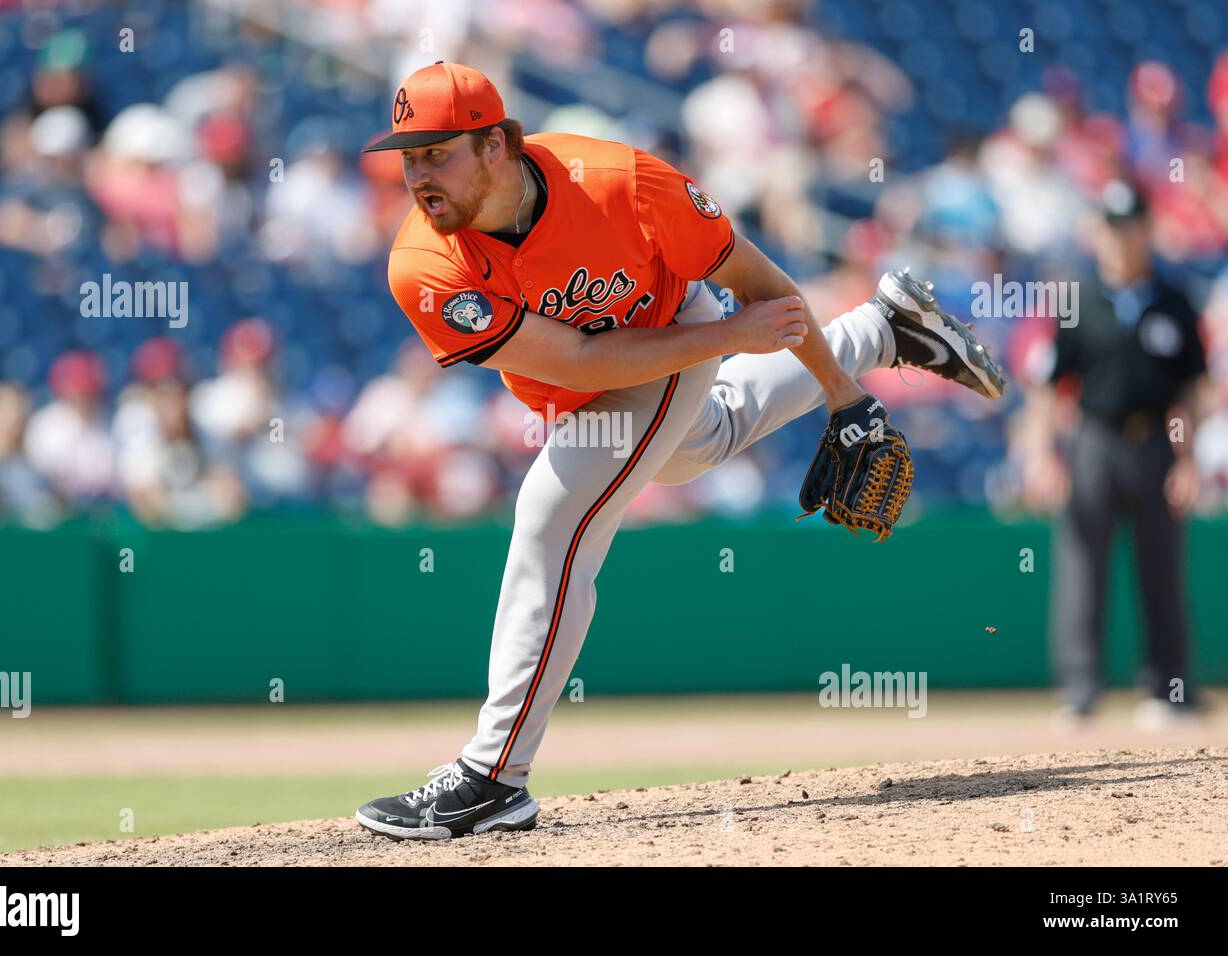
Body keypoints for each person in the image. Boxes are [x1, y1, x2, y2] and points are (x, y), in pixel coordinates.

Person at [353, 62, 1006, 840]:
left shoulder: (623, 181)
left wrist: (843, 395)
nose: (419, 175)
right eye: (409, 156)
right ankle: (887, 326)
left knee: (551, 519)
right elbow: (582, 364)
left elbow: (762, 286)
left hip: (673, 333)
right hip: (594, 378)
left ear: (497, 144)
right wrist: (740, 340)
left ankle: (494, 777)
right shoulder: (423, 265)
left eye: (439, 152)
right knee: (704, 442)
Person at [1021, 181, 1209, 732]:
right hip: (1093, 441)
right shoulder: (1078, 300)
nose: (1120, 239)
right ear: (1099, 232)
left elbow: (1190, 392)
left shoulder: (1173, 299)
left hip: (1155, 441)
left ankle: (1170, 689)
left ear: (1147, 230)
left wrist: (1188, 458)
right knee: (1082, 568)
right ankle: (1080, 691)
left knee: (1162, 569)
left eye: (1130, 227)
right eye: (1111, 227)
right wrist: (1041, 455)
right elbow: (1048, 383)